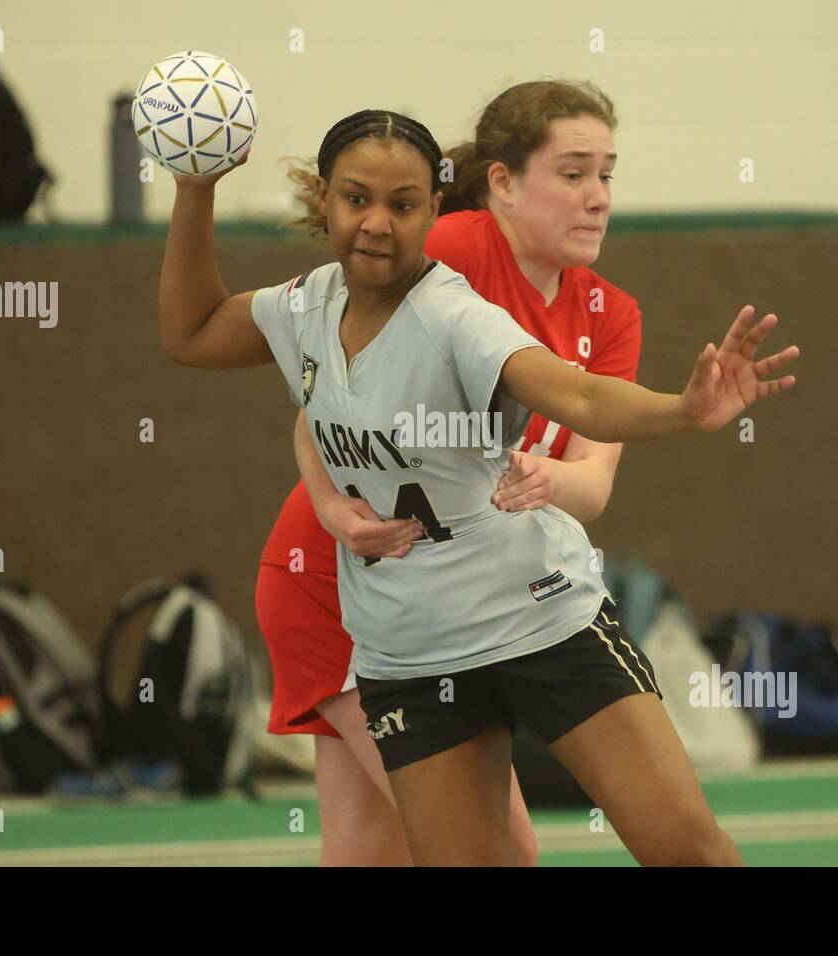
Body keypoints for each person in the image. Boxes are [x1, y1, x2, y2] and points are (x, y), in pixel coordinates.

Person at [159, 109, 798, 866]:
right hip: (408, 653)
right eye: (356, 199)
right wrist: (195, 187)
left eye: (402, 205)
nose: (377, 224)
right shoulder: (304, 307)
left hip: (539, 621)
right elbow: (194, 332)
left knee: (688, 851)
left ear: (435, 210)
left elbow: (582, 397)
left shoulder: (456, 316)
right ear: (324, 200)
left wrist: (685, 411)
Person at [260, 80, 644, 867]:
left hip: (435, 596)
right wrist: (334, 510)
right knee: (500, 851)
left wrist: (545, 479)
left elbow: (592, 483)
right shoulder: (452, 252)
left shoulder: (610, 312)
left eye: (607, 174)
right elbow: (318, 388)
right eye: (573, 174)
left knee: (371, 852)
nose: (597, 197)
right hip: (339, 580)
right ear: (501, 184)